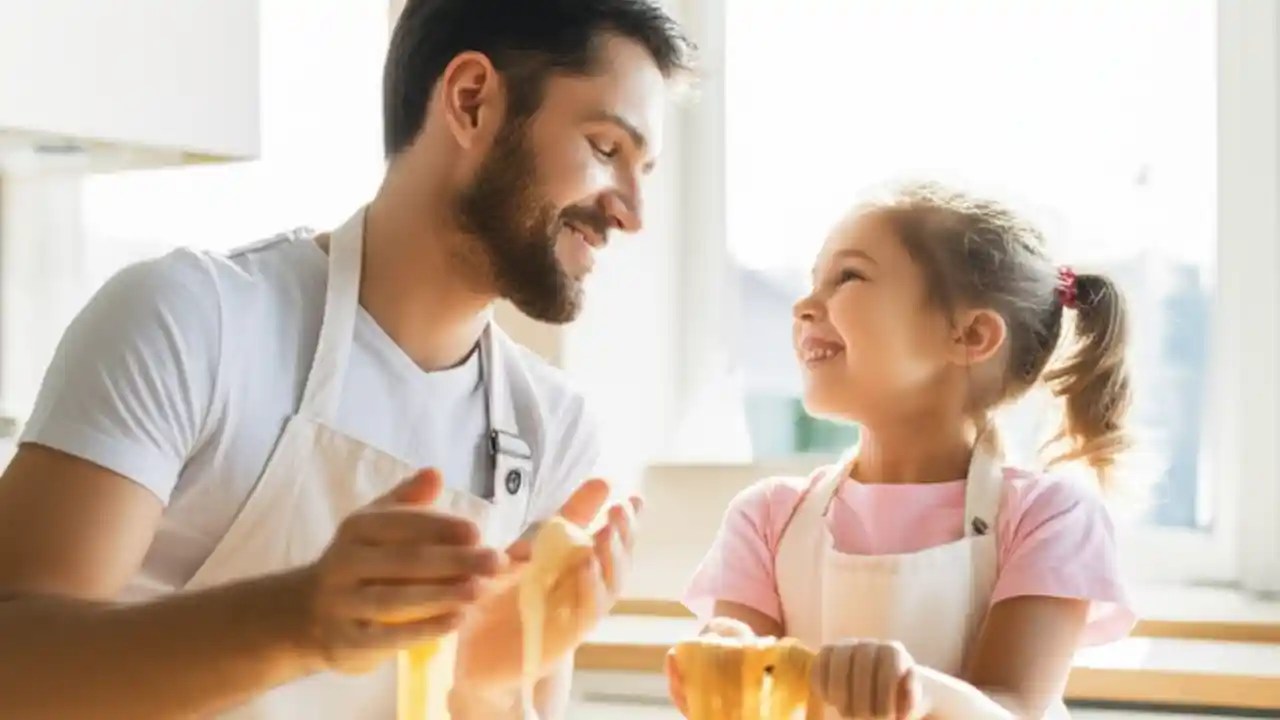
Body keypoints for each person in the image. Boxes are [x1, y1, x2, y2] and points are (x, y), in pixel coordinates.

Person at [0, 1, 692, 718]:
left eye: (645, 169)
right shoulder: (189, 320)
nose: (632, 212)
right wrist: (297, 621)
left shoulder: (550, 429)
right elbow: (12, 666)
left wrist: (484, 681)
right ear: (471, 100)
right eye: (607, 148)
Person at [667, 182, 1137, 719]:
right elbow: (750, 699)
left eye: (848, 277)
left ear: (969, 335)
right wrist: (720, 664)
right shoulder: (767, 519)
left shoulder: (1050, 517)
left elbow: (1015, 708)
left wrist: (918, 692)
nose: (803, 306)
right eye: (812, 281)